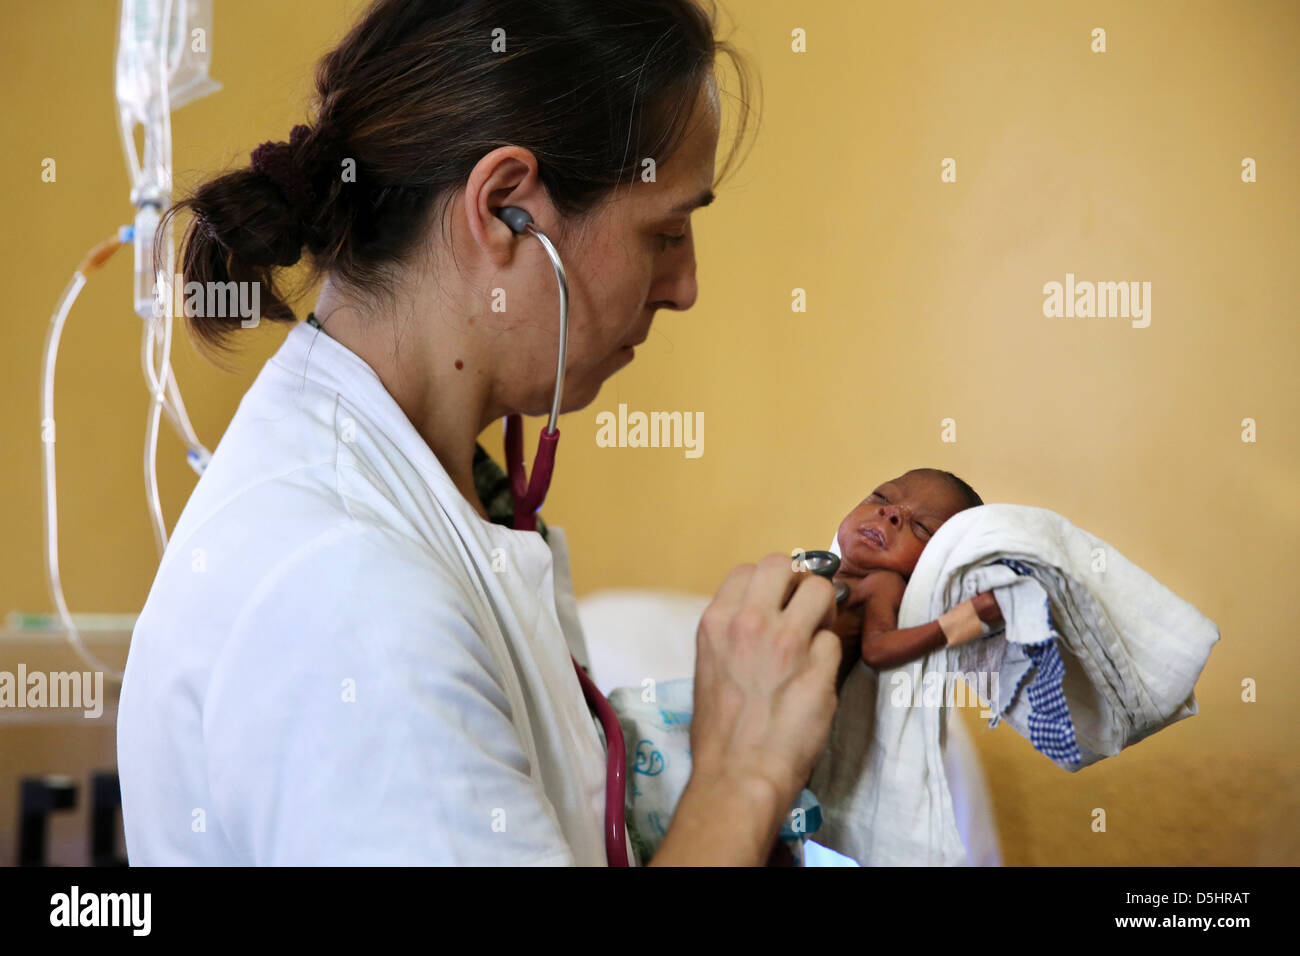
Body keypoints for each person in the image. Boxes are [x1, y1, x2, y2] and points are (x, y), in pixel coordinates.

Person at [116, 0, 842, 866]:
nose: (684, 286)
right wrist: (744, 772)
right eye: (668, 231)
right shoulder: (347, 601)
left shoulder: (430, 500)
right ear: (504, 209)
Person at [828, 469, 1004, 678]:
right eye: (882, 498)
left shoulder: (882, 584)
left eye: (922, 527)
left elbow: (877, 650)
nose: (892, 512)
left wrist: (967, 620)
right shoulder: (820, 570)